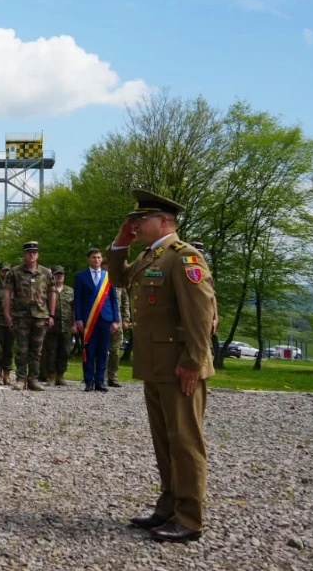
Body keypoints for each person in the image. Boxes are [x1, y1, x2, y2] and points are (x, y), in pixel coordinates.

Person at [108, 190, 215, 543]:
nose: (135, 224)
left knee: (185, 442)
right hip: (157, 366)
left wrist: (192, 362)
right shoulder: (151, 256)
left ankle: (190, 517)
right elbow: (120, 279)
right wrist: (120, 244)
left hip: (179, 367)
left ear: (165, 221)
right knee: (165, 442)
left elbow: (199, 317)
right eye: (134, 220)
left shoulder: (184, 258)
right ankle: (168, 507)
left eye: (142, 219)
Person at [2, 241, 56, 391]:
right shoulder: (14, 272)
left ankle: (33, 379)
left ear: (38, 254)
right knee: (21, 349)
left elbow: (52, 293)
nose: (32, 255)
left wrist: (51, 314)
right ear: (24, 254)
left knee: (37, 351)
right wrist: (7, 313)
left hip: (40, 316)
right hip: (20, 316)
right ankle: (21, 379)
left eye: (34, 252)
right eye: (29, 252)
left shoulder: (46, 273)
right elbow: (7, 293)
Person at [74, 248, 121, 393]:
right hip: (88, 319)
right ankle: (89, 381)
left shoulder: (108, 276)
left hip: (105, 318)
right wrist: (79, 319)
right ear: (88, 259)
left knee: (103, 351)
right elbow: (78, 300)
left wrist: (115, 320)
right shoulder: (81, 276)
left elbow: (113, 300)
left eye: (99, 258)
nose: (97, 260)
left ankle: (100, 381)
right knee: (89, 351)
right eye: (94, 257)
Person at [41, 266, 75, 386]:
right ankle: (51, 376)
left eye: (61, 274)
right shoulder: (48, 290)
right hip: (51, 326)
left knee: (64, 352)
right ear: (53, 276)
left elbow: (74, 309)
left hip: (66, 326)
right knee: (51, 352)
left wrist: (75, 324)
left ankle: (60, 376)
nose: (59, 276)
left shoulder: (70, 291)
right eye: (57, 274)